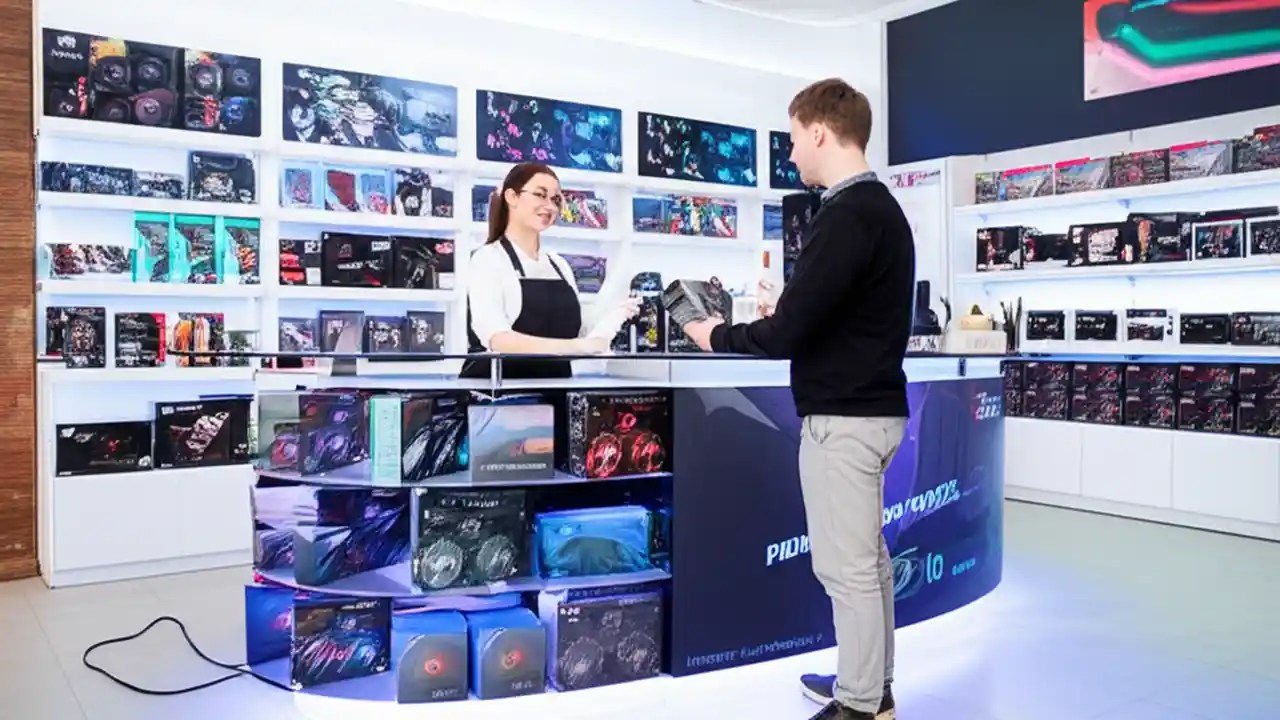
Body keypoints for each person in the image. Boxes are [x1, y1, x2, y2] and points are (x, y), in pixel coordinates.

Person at [682, 79, 914, 720]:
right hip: (872, 410)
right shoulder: (878, 210)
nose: (791, 155)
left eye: (792, 140)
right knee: (868, 562)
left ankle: (861, 703)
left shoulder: (845, 214)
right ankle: (872, 683)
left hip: (846, 418)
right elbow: (822, 314)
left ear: (818, 131)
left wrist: (715, 335)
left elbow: (790, 331)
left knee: (848, 569)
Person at [461, 162, 636, 380]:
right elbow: (498, 339)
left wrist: (615, 314)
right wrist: (580, 347)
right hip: (501, 396)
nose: (550, 206)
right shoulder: (488, 259)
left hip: (558, 390)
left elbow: (579, 331)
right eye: (540, 195)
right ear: (512, 197)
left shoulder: (559, 264)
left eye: (555, 199)